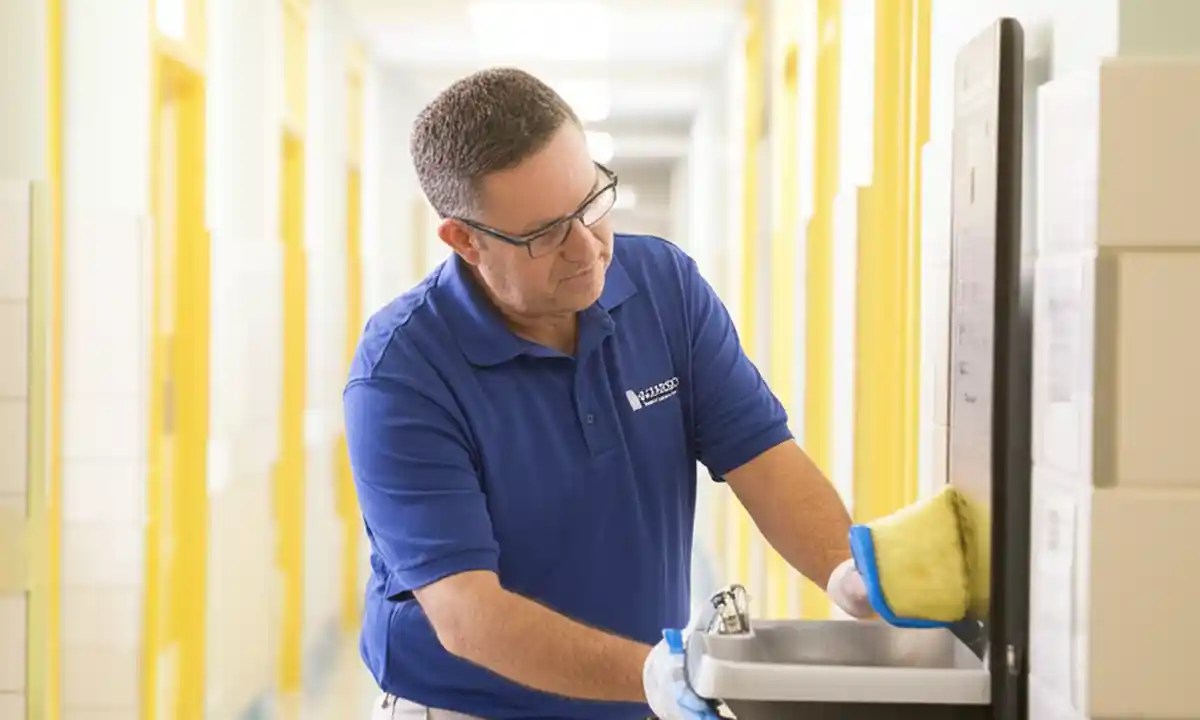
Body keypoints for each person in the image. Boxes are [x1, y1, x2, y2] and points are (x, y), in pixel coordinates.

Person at [344, 67, 873, 720]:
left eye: (593, 203)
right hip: (470, 709)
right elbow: (467, 615)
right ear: (466, 239)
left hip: (637, 699)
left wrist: (847, 577)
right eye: (544, 234)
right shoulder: (402, 372)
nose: (587, 248)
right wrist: (661, 674)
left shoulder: (664, 289)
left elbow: (763, 459)